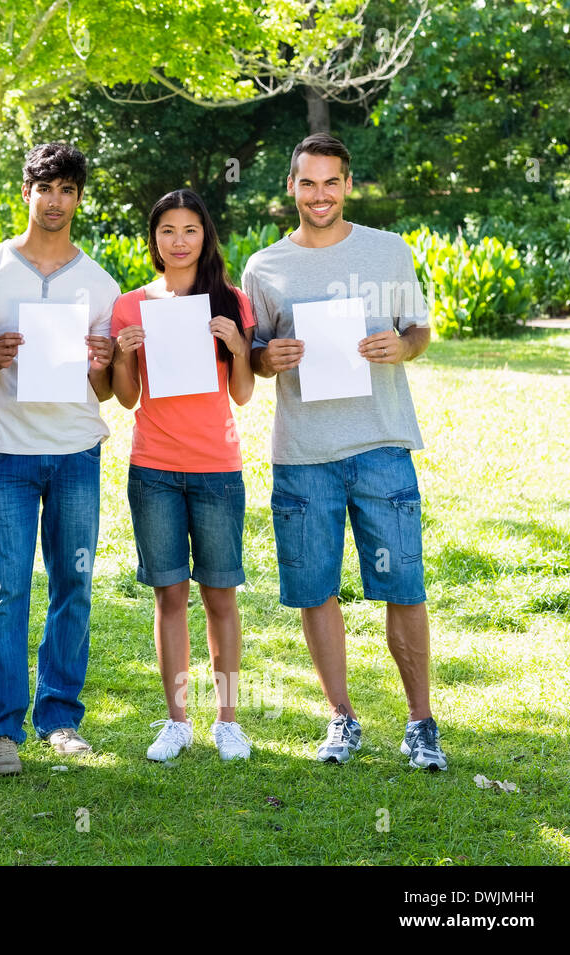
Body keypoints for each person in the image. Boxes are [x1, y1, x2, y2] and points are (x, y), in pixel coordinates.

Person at [243, 133, 447, 771]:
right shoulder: (264, 267)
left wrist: (403, 346)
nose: (320, 195)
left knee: (404, 587)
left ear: (348, 185)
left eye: (332, 183)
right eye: (309, 183)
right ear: (291, 187)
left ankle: (421, 723)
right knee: (315, 589)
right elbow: (253, 356)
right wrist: (266, 358)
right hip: (305, 453)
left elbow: (419, 329)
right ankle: (342, 718)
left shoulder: (387, 252)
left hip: (381, 443)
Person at [0, 143, 120, 775]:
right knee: (5, 589)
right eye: (44, 188)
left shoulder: (100, 283)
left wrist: (101, 363)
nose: (55, 201)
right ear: (24, 191)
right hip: (6, 453)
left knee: (73, 584)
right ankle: (1, 729)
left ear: (79, 198)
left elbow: (107, 390)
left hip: (77, 451)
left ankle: (59, 716)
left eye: (67, 190)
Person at [111, 189, 256, 762]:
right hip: (154, 469)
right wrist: (124, 355)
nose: (178, 241)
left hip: (217, 469)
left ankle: (228, 720)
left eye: (190, 230)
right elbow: (125, 400)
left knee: (220, 596)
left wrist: (238, 346)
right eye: (167, 230)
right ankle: (177, 720)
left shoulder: (231, 301)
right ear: (154, 241)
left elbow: (243, 393)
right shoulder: (131, 306)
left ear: (206, 236)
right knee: (169, 594)